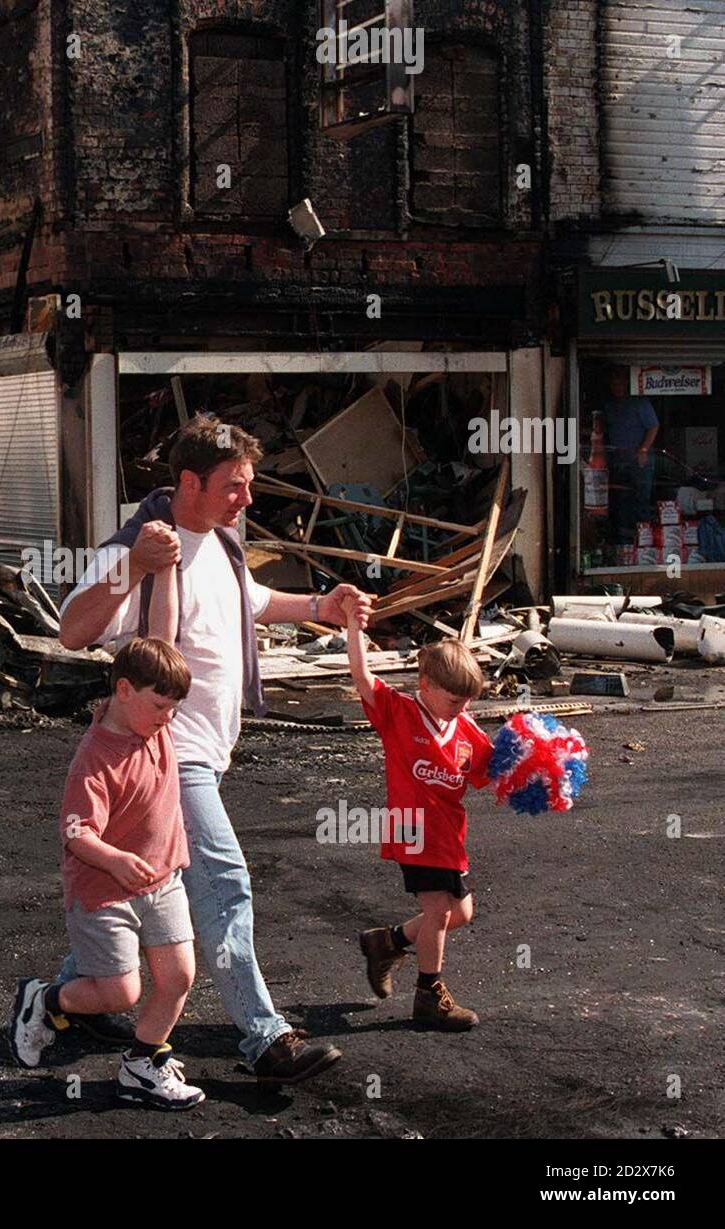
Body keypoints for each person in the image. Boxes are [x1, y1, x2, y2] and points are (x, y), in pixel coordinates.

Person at [46, 415, 372, 1083]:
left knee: (138, 882)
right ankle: (264, 1037)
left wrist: (320, 606)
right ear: (190, 481)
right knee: (223, 883)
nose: (247, 500)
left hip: (195, 758)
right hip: (170, 755)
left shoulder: (222, 543)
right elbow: (73, 630)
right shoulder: (137, 546)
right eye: (235, 486)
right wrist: (135, 566)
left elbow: (251, 602)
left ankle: (73, 994)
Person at [8, 636, 204, 1109]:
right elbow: (76, 834)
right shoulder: (94, 759)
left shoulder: (156, 730)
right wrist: (115, 859)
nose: (168, 718)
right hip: (103, 891)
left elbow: (161, 630)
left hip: (163, 880)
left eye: (175, 708)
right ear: (123, 690)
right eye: (160, 706)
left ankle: (143, 1064)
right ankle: (46, 1001)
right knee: (120, 992)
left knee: (179, 976)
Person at [346, 614, 492, 1031]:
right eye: (453, 700)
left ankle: (385, 942)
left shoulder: (466, 730)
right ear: (425, 686)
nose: (461, 709)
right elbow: (361, 673)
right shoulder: (399, 712)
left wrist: (535, 766)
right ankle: (430, 995)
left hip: (449, 835)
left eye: (467, 702)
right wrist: (354, 628)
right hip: (413, 828)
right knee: (439, 914)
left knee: (460, 913)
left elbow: (492, 772)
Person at [599, 368, 658, 544]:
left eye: (620, 383)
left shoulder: (639, 403)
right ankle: (624, 543)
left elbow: (654, 426)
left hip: (638, 459)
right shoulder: (610, 405)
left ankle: (644, 542)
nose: (616, 387)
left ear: (627, 384)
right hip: (618, 459)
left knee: (640, 501)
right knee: (621, 502)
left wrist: (644, 450)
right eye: (613, 384)